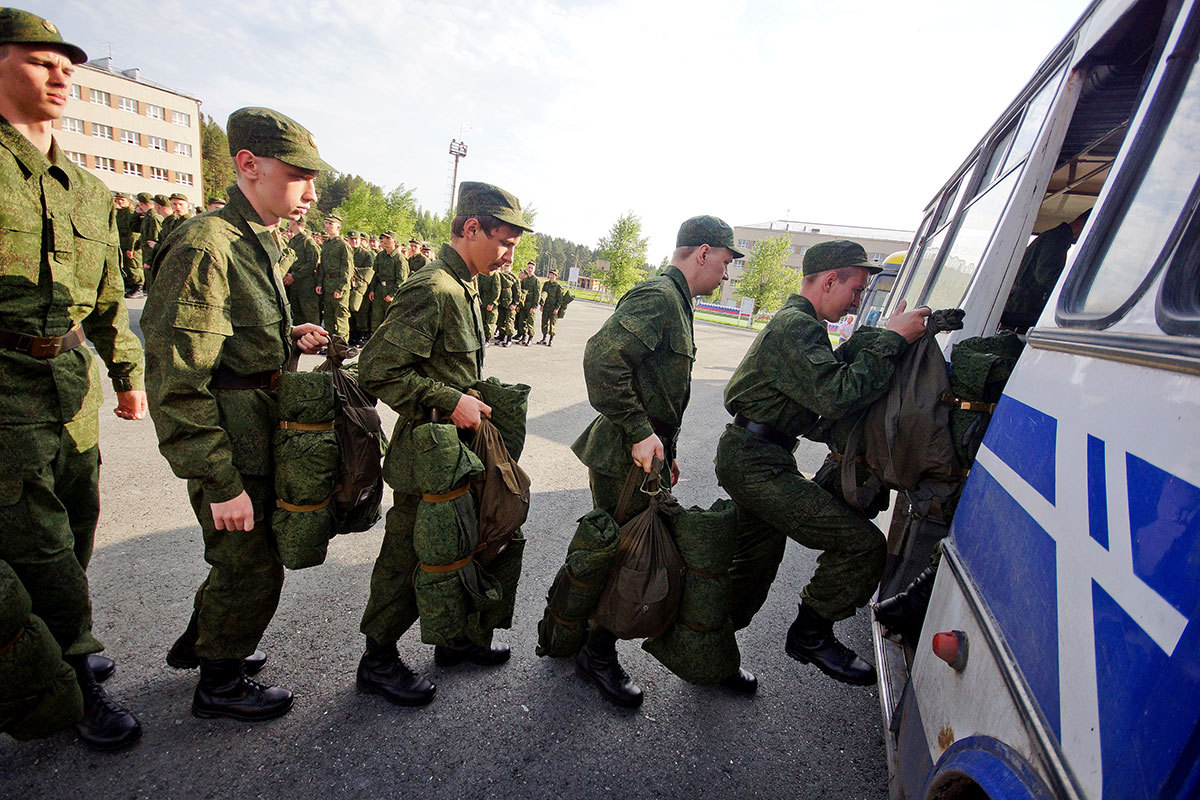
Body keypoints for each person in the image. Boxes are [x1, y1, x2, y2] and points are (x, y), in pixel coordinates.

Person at [143, 106, 331, 722]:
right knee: (249, 563)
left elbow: (228, 342)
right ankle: (218, 683)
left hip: (257, 423)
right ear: (247, 166)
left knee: (243, 557)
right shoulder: (208, 245)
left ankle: (209, 645)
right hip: (232, 440)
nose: (311, 191)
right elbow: (178, 377)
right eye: (300, 175)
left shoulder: (250, 240)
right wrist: (220, 481)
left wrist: (284, 338)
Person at [0, 7, 147, 750]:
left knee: (76, 526)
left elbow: (110, 295)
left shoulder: (87, 189)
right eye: (38, 60)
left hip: (71, 381)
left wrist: (125, 373)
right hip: (3, 388)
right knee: (39, 544)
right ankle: (76, 682)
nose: (60, 74)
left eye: (67, 65)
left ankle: (59, 647)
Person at [714, 239, 929, 686]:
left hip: (758, 455)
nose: (856, 302)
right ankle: (810, 634)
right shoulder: (798, 327)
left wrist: (880, 338)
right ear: (830, 280)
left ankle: (708, 654)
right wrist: (890, 340)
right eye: (855, 290)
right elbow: (835, 395)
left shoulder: (802, 325)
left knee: (750, 572)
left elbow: (817, 403)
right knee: (861, 545)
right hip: (756, 463)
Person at [356, 181, 532, 707]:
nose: (507, 256)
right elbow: (377, 370)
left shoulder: (466, 287)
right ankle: (378, 659)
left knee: (463, 543)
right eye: (503, 242)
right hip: (426, 453)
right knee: (409, 552)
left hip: (456, 450)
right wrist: (448, 398)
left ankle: (456, 638)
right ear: (470, 227)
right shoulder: (433, 287)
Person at [570, 215, 751, 707]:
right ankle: (596, 654)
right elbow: (601, 361)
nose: (727, 274)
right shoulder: (658, 297)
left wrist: (661, 449)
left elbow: (656, 388)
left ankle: (576, 640)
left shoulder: (679, 301)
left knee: (617, 548)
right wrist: (640, 432)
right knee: (626, 555)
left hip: (643, 453)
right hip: (624, 454)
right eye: (727, 262)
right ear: (703, 252)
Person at [1001, 209, 1091, 329]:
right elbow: (1046, 276)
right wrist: (1074, 292)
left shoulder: (1053, 236)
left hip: (1019, 303)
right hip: (1024, 307)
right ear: (1086, 224)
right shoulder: (1057, 239)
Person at [319, 213, 353, 341]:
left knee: (340, 317)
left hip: (339, 285)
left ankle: (341, 345)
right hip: (327, 284)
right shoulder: (326, 244)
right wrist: (319, 283)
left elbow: (347, 269)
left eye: (330, 224)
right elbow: (322, 266)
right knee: (328, 316)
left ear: (338, 227)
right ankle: (330, 344)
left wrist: (341, 288)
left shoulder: (343, 245)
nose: (327, 226)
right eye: (326, 223)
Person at [369, 230, 408, 333]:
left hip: (391, 290)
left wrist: (392, 294)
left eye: (388, 238)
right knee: (376, 318)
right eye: (383, 238)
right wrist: (372, 289)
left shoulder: (399, 258)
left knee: (390, 319)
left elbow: (401, 280)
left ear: (394, 241)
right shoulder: (380, 255)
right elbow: (375, 274)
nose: (385, 240)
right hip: (379, 289)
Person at [284, 216, 322, 325]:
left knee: (310, 315)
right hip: (294, 284)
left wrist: (294, 276)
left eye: (291, 220)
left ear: (296, 222)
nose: (288, 222)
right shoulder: (292, 241)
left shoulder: (308, 241)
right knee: (297, 315)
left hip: (306, 285)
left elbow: (312, 264)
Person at [538, 268, 567, 346]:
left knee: (552, 324)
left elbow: (560, 299)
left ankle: (551, 340)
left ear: (556, 276)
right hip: (546, 307)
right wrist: (541, 305)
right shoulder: (546, 284)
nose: (551, 276)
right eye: (551, 274)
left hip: (553, 307)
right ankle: (544, 338)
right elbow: (543, 294)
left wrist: (557, 308)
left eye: (553, 274)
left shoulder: (558, 286)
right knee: (544, 323)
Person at [516, 262, 540, 346]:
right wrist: (519, 305)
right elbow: (521, 293)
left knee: (530, 322)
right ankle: (523, 337)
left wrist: (534, 307)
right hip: (523, 305)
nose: (530, 270)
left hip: (531, 305)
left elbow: (537, 295)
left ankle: (530, 338)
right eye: (528, 268)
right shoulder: (524, 280)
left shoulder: (536, 280)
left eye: (531, 268)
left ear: (534, 270)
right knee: (521, 322)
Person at [477, 265, 499, 344]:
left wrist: (492, 303)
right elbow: (478, 287)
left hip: (490, 300)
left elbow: (496, 290)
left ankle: (488, 339)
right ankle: (482, 337)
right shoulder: (481, 274)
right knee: (482, 320)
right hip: (482, 300)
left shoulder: (494, 274)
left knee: (489, 321)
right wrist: (478, 298)